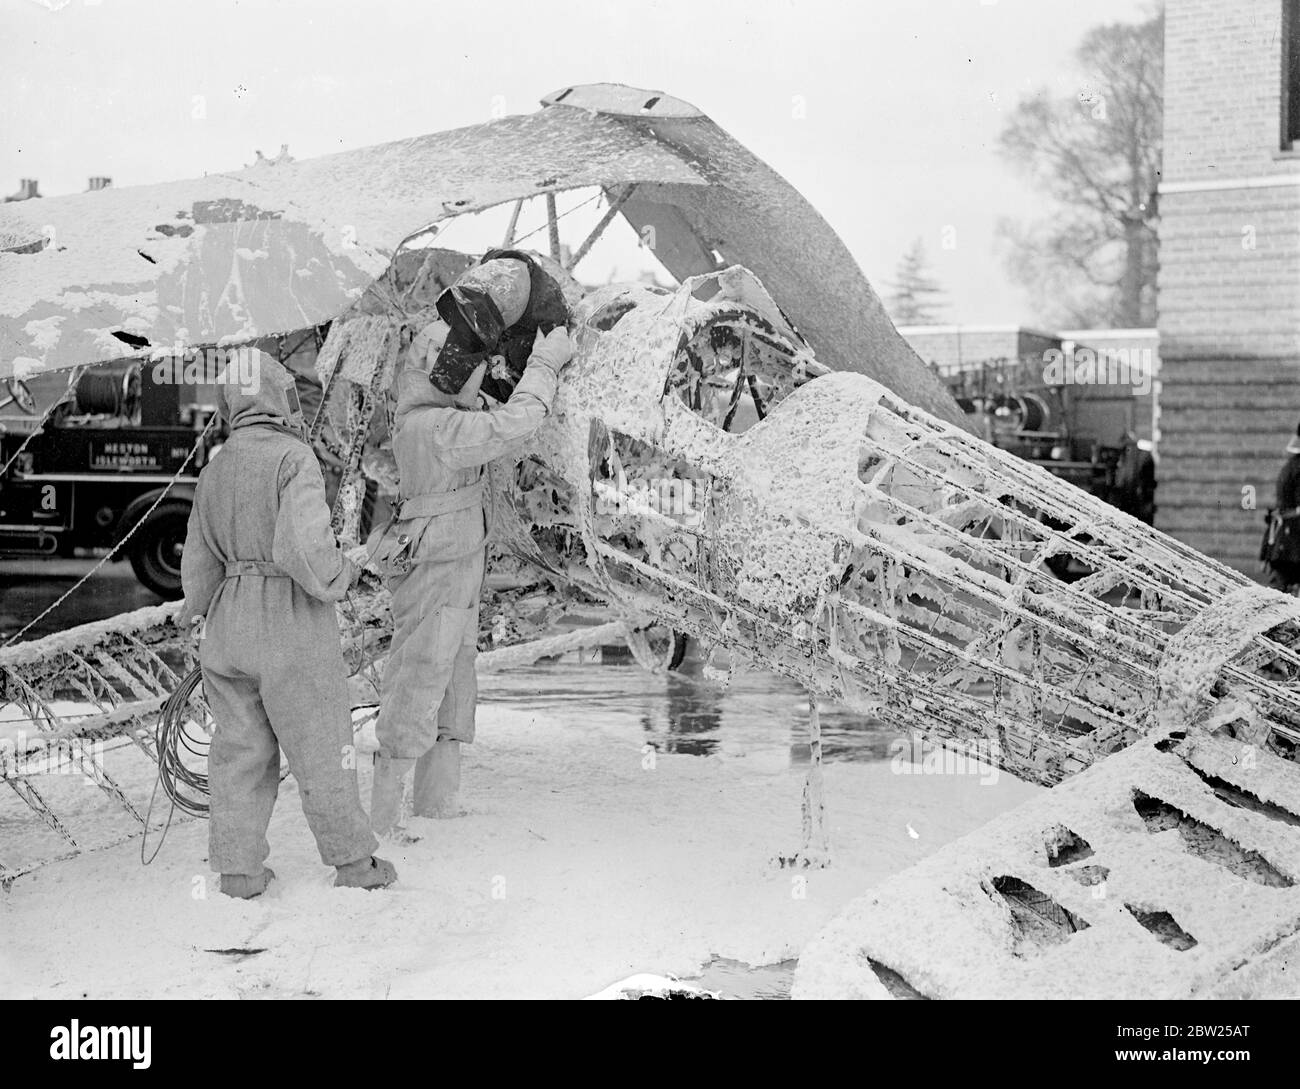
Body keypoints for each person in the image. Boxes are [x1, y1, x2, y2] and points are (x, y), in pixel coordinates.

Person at [367, 258, 574, 837]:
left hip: (456, 562)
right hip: (440, 564)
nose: (475, 379)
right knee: (419, 678)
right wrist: (545, 364)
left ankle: (435, 806)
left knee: (453, 682)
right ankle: (381, 823)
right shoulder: (435, 429)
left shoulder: (433, 412)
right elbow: (519, 423)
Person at [180, 351, 397, 897]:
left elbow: (198, 566)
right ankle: (353, 863)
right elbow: (302, 549)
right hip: (290, 622)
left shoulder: (214, 469)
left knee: (238, 754)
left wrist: (201, 610)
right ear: (279, 395)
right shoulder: (293, 458)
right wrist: (343, 575)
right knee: (323, 747)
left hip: (228, 626)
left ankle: (238, 872)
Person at [1264, 423, 1300, 593]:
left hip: (1284, 538)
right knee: (1277, 593)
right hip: (1292, 539)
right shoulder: (1297, 468)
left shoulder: (1292, 465)